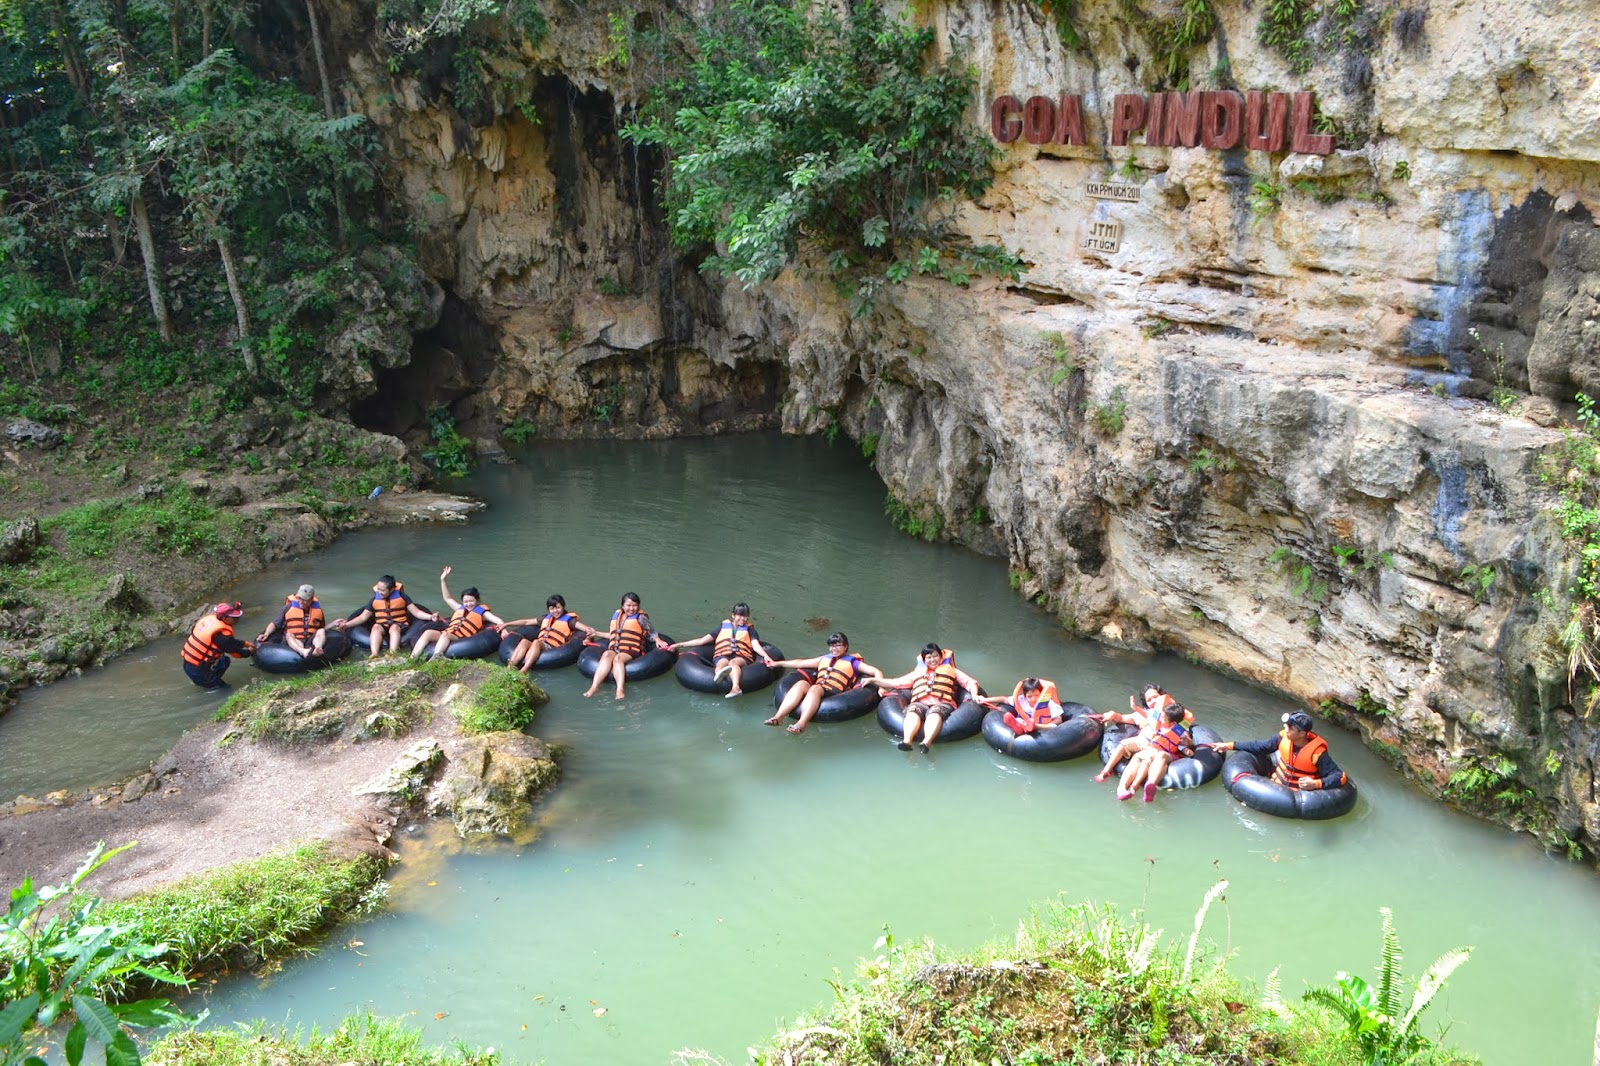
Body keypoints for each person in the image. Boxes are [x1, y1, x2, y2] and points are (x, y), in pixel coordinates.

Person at [762, 632, 883, 734]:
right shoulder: (824, 659)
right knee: (801, 684)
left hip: (833, 692)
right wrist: (777, 663)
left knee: (815, 688)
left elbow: (876, 671)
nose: (833, 649)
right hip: (819, 687)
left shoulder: (853, 662)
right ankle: (778, 717)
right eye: (831, 646)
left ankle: (801, 724)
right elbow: (801, 663)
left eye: (837, 645)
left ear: (845, 647)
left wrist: (881, 687)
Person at [868, 644, 981, 751]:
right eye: (929, 657)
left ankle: (926, 742)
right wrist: (873, 680)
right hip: (920, 703)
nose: (933, 660)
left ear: (941, 657)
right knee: (912, 711)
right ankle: (907, 741)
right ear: (924, 660)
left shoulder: (952, 671)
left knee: (935, 713)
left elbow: (970, 683)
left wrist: (975, 695)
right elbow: (895, 682)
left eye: (935, 656)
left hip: (942, 703)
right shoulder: (917, 673)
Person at [1206, 711, 1348, 792]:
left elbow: (1339, 776)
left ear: (1302, 733)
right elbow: (1260, 746)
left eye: (1290, 728)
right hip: (1275, 787)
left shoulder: (1317, 753)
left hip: (1299, 793)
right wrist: (1229, 745)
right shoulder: (1282, 738)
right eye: (1286, 726)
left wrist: (1316, 784)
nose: (1286, 729)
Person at [1091, 684, 1194, 783]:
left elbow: (1186, 738)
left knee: (1146, 759)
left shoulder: (1176, 721)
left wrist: (1188, 742)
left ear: (1162, 698)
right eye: (1149, 700)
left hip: (1160, 751)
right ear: (1146, 703)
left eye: (1155, 697)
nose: (1153, 701)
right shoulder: (1143, 715)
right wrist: (1113, 714)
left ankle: (1144, 784)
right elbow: (1122, 718)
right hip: (1143, 743)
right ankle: (1106, 771)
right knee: (1124, 745)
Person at [668, 602, 774, 698]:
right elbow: (702, 641)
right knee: (721, 662)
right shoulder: (722, 627)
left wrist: (766, 656)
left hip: (741, 656)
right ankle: (719, 674)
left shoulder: (751, 631)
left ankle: (736, 688)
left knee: (733, 663)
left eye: (745, 616)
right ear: (733, 615)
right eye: (740, 615)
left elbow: (755, 646)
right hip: (723, 653)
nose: (743, 619)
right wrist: (679, 645)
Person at [582, 592, 670, 700]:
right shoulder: (617, 616)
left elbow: (651, 632)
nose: (631, 608)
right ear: (623, 606)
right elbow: (614, 635)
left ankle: (619, 689)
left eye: (635, 605)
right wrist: (597, 633)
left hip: (632, 650)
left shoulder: (641, 618)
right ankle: (594, 687)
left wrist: (658, 640)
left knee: (618, 659)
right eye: (628, 605)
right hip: (616, 648)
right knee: (606, 654)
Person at [410, 566, 506, 660]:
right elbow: (447, 598)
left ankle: (436, 658)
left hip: (461, 638)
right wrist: (443, 580)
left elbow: (497, 620)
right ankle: (412, 658)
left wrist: (503, 629)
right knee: (428, 632)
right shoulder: (459, 608)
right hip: (448, 633)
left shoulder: (482, 613)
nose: (468, 604)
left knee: (445, 635)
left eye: (471, 601)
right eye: (466, 602)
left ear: (477, 600)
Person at [332, 575, 436, 659]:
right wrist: (346, 625)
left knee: (394, 628)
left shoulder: (403, 597)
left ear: (391, 590)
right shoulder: (374, 600)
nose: (379, 592)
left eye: (382, 590)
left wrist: (431, 617)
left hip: (399, 625)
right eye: (378, 589)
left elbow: (416, 612)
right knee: (376, 627)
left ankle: (392, 654)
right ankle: (374, 653)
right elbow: (362, 617)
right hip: (383, 625)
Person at [1115, 702, 1194, 802]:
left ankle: (1145, 786)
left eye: (1164, 719)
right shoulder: (1157, 721)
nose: (1161, 719)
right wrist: (1135, 707)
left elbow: (1186, 742)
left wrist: (1188, 746)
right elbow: (1145, 715)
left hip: (1168, 754)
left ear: (1173, 723)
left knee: (1156, 756)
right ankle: (1124, 788)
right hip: (1152, 749)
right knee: (1138, 757)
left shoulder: (1180, 731)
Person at [500, 594, 596, 673]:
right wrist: (507, 624)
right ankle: (509, 668)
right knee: (525, 641)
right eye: (552, 608)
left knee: (536, 642)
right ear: (549, 609)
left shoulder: (570, 621)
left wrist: (588, 638)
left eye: (558, 607)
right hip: (540, 643)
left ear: (563, 606)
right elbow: (526, 622)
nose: (555, 611)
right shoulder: (545, 618)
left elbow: (587, 629)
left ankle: (524, 670)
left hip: (553, 648)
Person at [181, 601, 255, 689]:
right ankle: (210, 683)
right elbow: (237, 653)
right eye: (234, 618)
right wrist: (250, 652)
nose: (236, 620)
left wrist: (245, 643)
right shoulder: (223, 636)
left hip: (189, 664)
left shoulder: (211, 622)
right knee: (224, 689)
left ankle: (209, 680)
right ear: (225, 618)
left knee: (224, 661)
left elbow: (230, 643)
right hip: (197, 669)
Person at [256, 583, 329, 659]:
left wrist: (334, 623)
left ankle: (317, 649)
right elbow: (274, 623)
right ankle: (303, 651)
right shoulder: (288, 608)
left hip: (309, 641)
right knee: (289, 635)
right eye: (299, 598)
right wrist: (266, 634)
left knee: (321, 631)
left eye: (304, 599)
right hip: (294, 640)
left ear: (311, 599)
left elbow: (322, 628)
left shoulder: (317, 610)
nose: (300, 601)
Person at [980, 677, 1064, 734]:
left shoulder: (1048, 703)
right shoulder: (1021, 700)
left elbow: (1059, 719)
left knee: (1052, 726)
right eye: (1029, 696)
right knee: (1019, 721)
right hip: (1025, 723)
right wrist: (985, 700)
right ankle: (1019, 728)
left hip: (1044, 727)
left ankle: (1033, 727)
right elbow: (1004, 699)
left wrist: (1043, 726)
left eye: (1036, 695)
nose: (1033, 699)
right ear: (1024, 696)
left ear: (1041, 694)